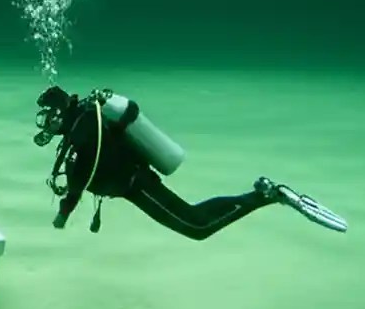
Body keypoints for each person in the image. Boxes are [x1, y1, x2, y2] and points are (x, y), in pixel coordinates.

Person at [33, 85, 347, 239]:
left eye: (47, 117)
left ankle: (269, 194)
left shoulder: (85, 127)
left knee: (196, 225)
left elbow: (80, 178)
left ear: (59, 111)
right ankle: (264, 192)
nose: (46, 124)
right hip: (133, 184)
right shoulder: (84, 124)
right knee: (195, 219)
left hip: (137, 185)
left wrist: (63, 215)